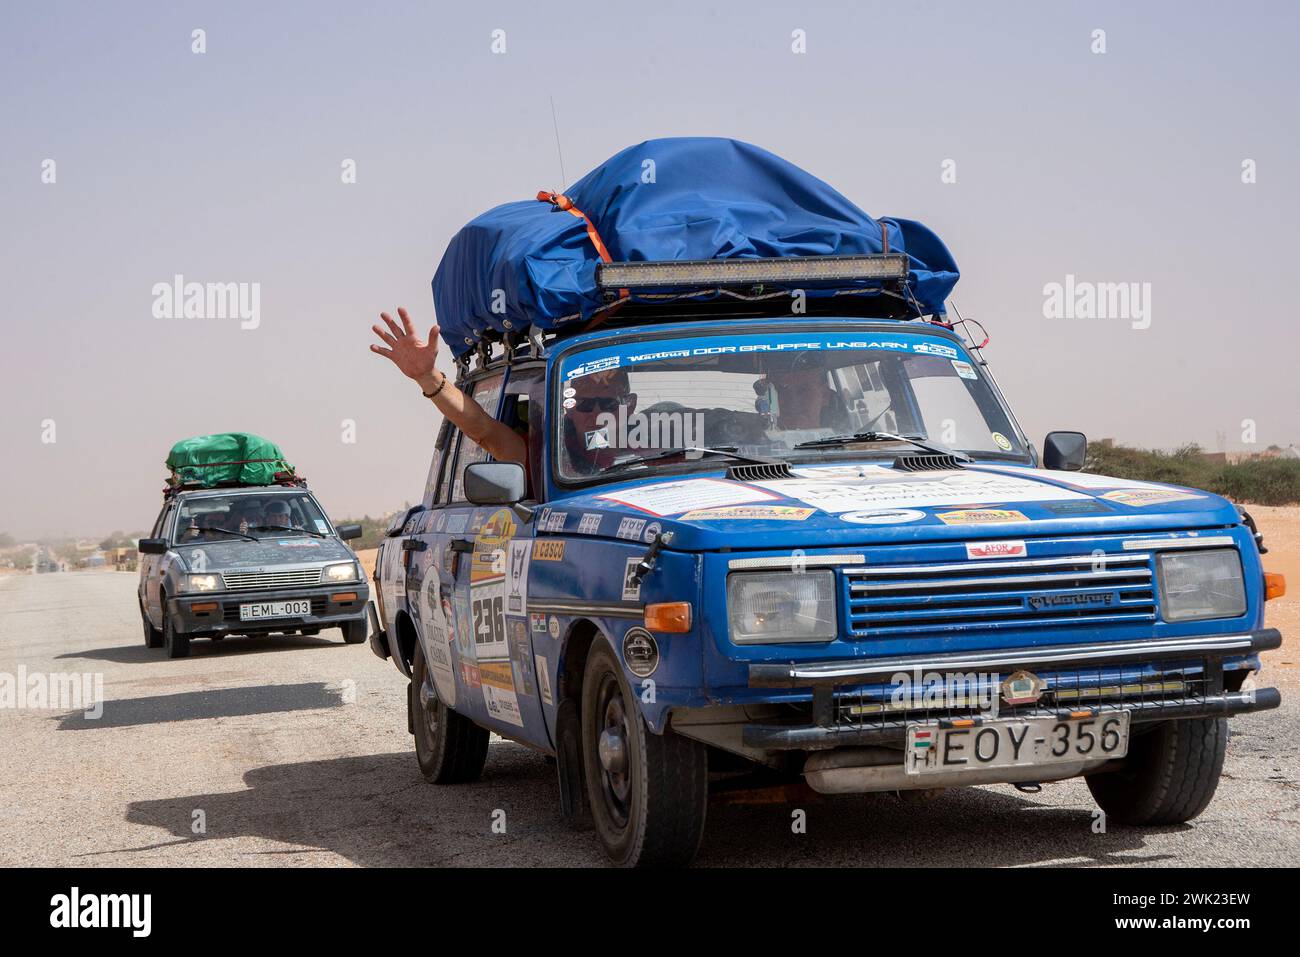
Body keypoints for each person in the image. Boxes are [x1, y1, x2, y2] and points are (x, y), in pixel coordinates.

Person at [370, 308, 638, 476]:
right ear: (566, 408)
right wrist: (428, 377)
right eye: (585, 405)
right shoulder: (540, 455)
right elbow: (483, 430)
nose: (598, 414)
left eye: (609, 403)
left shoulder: (656, 449)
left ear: (630, 405)